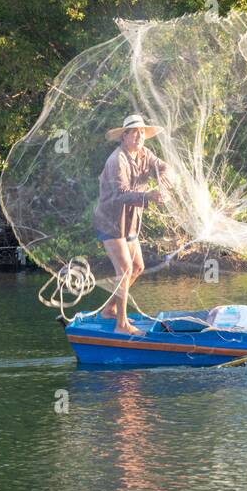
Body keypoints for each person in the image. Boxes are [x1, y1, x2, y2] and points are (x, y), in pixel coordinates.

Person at [92, 113, 169, 334]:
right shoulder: (117, 160)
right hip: (110, 221)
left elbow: (162, 167)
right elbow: (121, 193)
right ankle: (121, 325)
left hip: (131, 221)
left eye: (142, 132)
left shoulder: (145, 154)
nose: (139, 136)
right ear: (124, 136)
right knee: (125, 269)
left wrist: (165, 176)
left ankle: (109, 310)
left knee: (137, 267)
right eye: (134, 132)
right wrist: (149, 196)